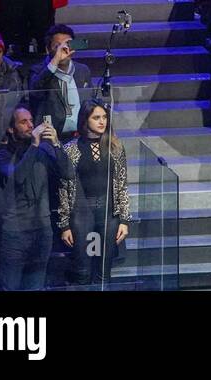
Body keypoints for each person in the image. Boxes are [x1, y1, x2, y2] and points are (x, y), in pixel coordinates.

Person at [0, 104, 72, 291]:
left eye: (31, 120)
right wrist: (35, 145)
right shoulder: (2, 155)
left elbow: (68, 173)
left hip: (42, 230)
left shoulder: (43, 151)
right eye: (23, 122)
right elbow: (17, 178)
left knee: (35, 286)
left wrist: (56, 145)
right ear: (11, 129)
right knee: (10, 286)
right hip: (15, 232)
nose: (30, 125)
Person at [57, 99, 130, 285]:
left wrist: (124, 219)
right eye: (96, 117)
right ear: (85, 120)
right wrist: (65, 225)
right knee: (82, 270)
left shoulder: (115, 147)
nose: (102, 121)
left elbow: (122, 184)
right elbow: (64, 189)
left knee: (104, 271)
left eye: (104, 117)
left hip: (108, 213)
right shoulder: (70, 148)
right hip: (82, 214)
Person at [26, 24, 92, 141]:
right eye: (58, 46)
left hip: (80, 136)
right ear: (48, 49)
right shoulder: (38, 70)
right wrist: (55, 60)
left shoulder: (83, 70)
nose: (64, 49)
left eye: (68, 44)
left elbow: (90, 102)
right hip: (51, 137)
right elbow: (35, 91)